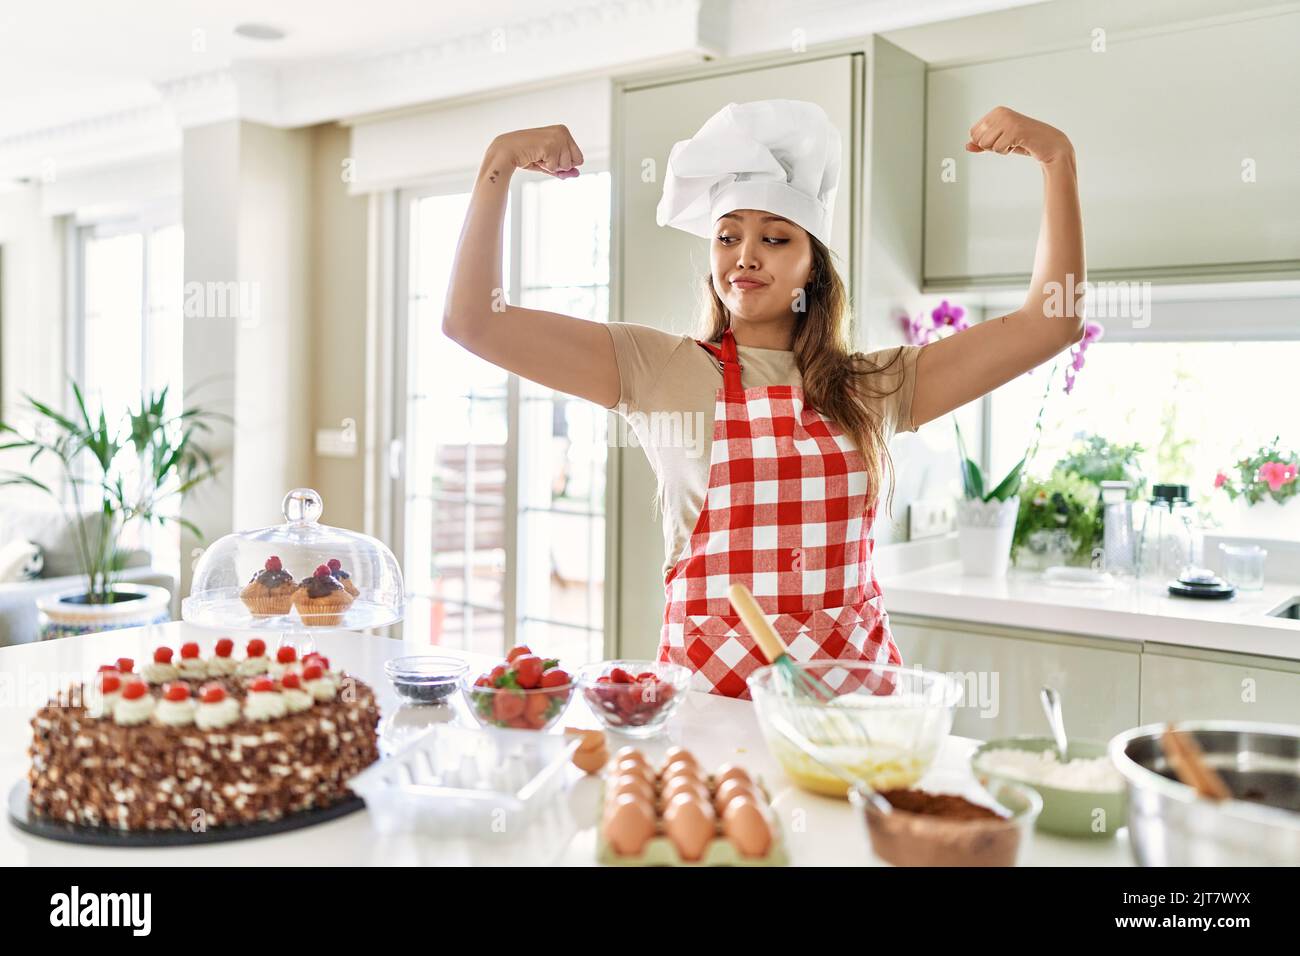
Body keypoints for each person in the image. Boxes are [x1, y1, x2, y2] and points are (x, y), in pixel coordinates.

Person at [443, 99, 1084, 698]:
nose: (746, 256)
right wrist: (499, 162)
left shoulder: (872, 386)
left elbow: (1050, 324)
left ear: (814, 266)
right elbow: (474, 320)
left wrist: (1058, 162)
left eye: (775, 238)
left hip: (852, 703)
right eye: (728, 237)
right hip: (715, 707)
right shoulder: (658, 368)